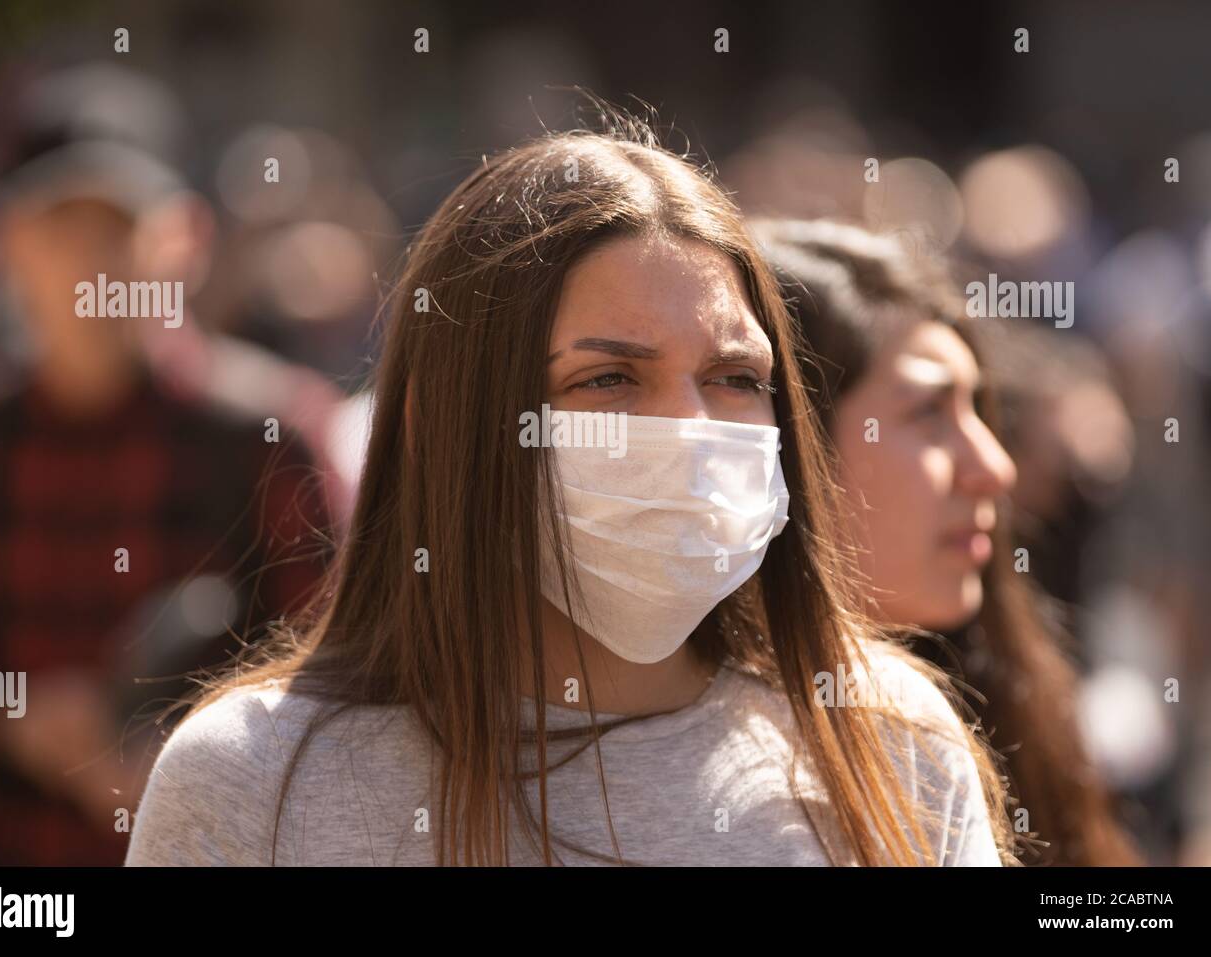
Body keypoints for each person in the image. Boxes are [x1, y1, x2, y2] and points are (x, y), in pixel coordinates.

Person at [125, 115, 1014, 867]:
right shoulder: (254, 784)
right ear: (467, 422)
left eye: (736, 376)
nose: (691, 430)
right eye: (609, 380)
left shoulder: (892, 744)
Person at [0, 62, 334, 865]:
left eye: (115, 228)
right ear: (7, 244)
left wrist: (187, 759)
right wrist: (14, 718)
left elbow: (342, 681)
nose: (90, 265)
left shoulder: (270, 438)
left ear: (182, 239)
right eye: (59, 228)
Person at [752, 217, 1142, 865]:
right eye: (929, 412)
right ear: (792, 446)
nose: (994, 467)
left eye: (978, 409)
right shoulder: (710, 772)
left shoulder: (997, 721)